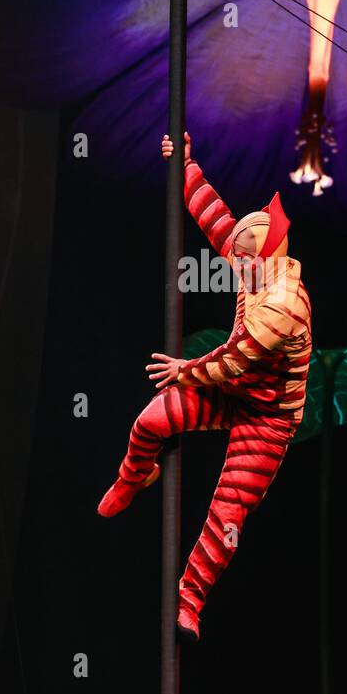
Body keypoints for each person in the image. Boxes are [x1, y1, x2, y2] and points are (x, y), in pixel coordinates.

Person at [97, 132, 313, 641]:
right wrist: (187, 167)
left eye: (246, 247)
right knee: (150, 421)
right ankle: (136, 475)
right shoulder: (255, 265)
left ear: (267, 254)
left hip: (269, 417)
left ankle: (189, 599)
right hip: (231, 393)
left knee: (227, 512)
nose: (234, 255)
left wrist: (184, 370)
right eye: (237, 249)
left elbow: (236, 359)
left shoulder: (285, 302)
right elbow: (215, 219)